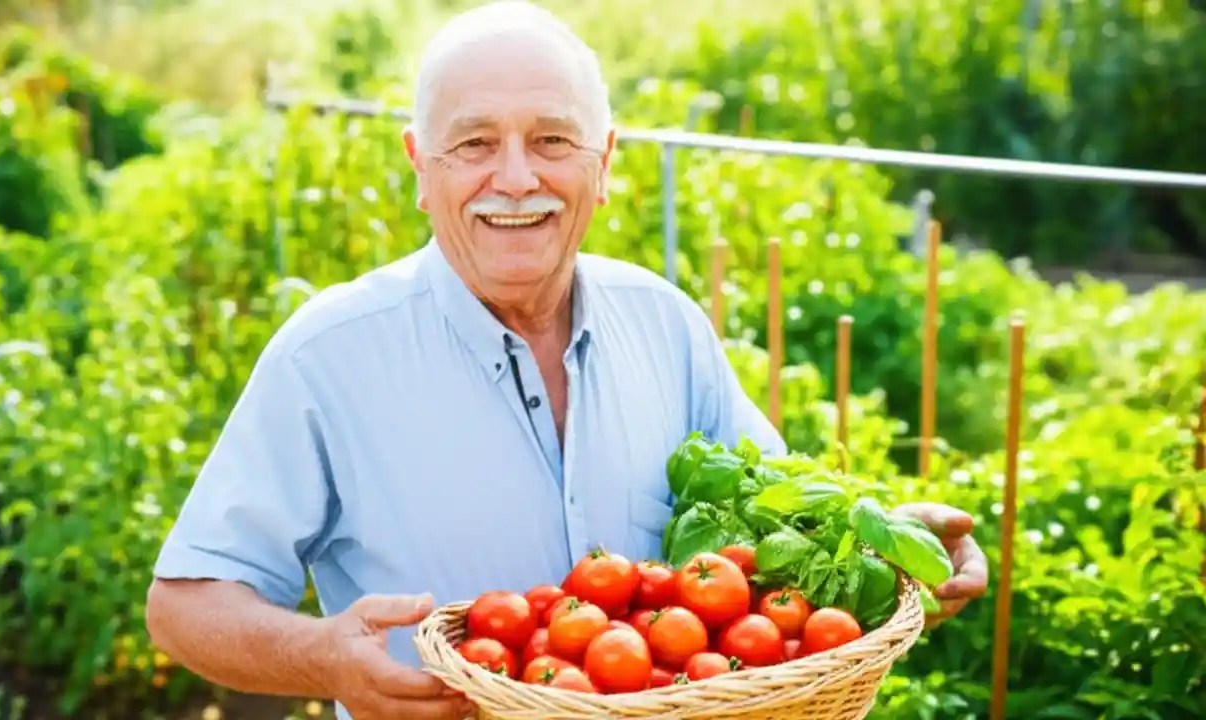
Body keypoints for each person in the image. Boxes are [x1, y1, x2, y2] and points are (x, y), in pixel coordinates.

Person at [143, 2, 988, 719]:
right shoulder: (328, 357)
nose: (516, 178)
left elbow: (777, 540)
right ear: (418, 166)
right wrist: (323, 656)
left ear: (605, 162)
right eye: (474, 143)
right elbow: (186, 605)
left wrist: (896, 547)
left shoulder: (665, 323)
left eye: (552, 139)